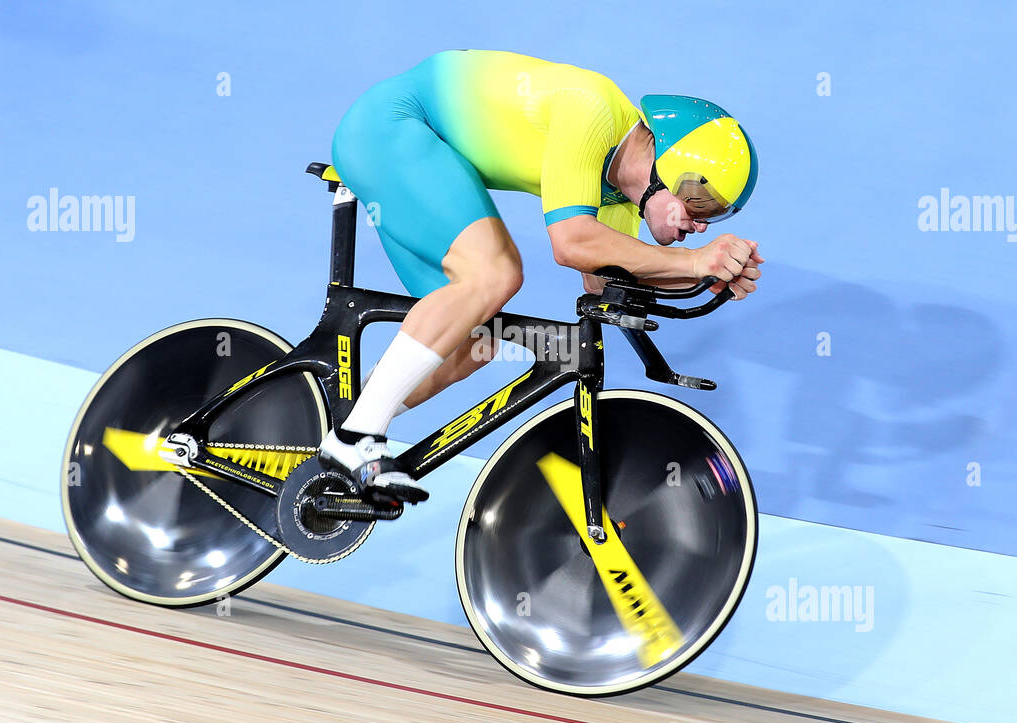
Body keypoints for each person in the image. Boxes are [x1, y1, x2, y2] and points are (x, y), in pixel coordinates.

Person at [317, 49, 764, 502]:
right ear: (670, 165)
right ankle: (355, 438)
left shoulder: (620, 198)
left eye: (718, 216)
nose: (702, 225)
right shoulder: (593, 107)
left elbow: (603, 279)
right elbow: (572, 243)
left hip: (428, 154)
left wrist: (708, 278)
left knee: (475, 343)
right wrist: (693, 263)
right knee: (495, 273)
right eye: (703, 203)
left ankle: (339, 420)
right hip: (391, 127)